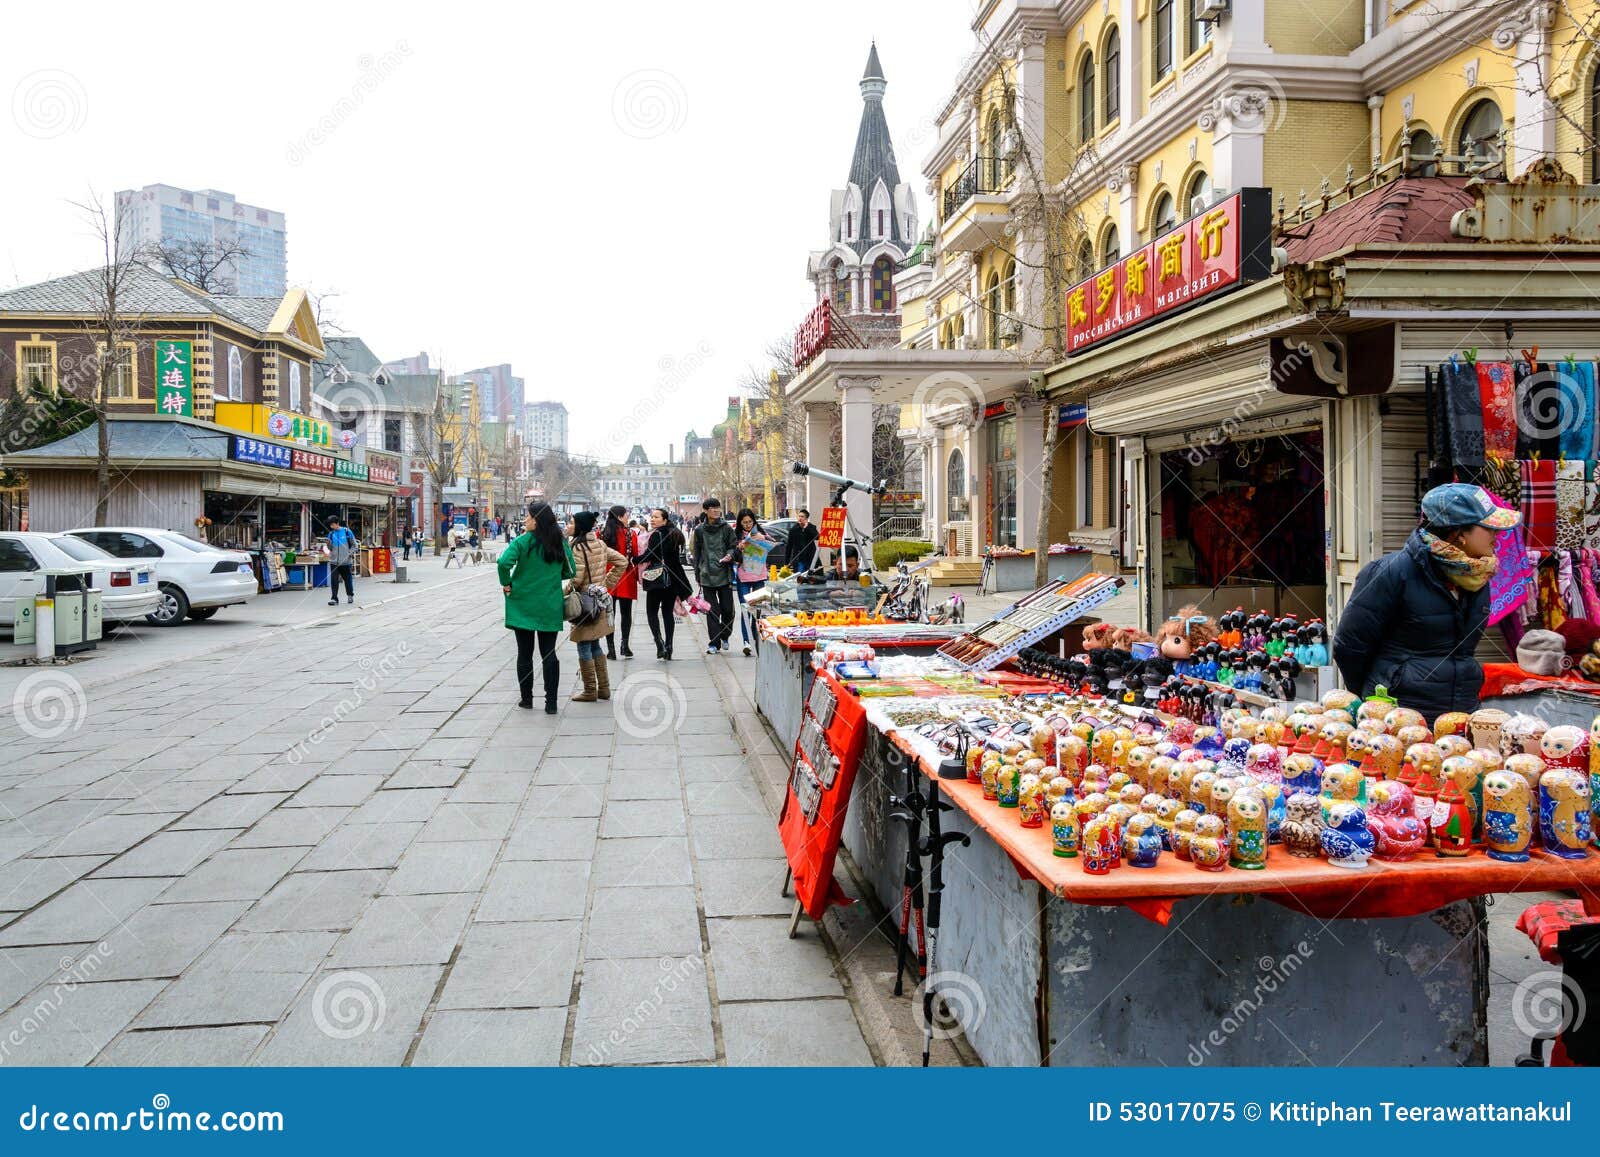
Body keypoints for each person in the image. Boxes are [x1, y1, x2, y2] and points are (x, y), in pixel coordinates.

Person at [1333, 483, 1519, 722]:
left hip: (1459, 712)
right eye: (1488, 527)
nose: (1497, 534)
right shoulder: (1390, 572)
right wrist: (1376, 693)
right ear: (1458, 533)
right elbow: (1349, 646)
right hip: (1398, 717)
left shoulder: (1478, 574)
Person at [499, 501, 575, 713]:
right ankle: (551, 703)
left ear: (537, 519)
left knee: (524, 653)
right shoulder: (559, 542)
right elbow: (571, 571)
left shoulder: (522, 541)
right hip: (549, 603)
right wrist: (552, 577)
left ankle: (527, 699)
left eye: (528, 516)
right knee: (548, 653)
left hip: (522, 602)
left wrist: (506, 583)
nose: (525, 520)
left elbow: (504, 563)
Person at [567, 510, 626, 702]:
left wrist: (563, 592)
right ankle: (604, 688)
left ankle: (590, 690)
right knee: (595, 643)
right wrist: (605, 585)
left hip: (584, 603)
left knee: (584, 644)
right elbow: (622, 561)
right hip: (599, 600)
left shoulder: (578, 547)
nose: (568, 525)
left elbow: (576, 580)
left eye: (571, 522)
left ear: (580, 526)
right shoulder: (599, 543)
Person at [638, 507, 690, 660]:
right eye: (651, 517)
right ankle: (669, 645)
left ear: (665, 519)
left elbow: (649, 555)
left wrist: (634, 560)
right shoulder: (676, 533)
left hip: (657, 578)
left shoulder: (656, 535)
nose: (652, 519)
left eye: (656, 517)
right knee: (667, 613)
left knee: (651, 612)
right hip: (673, 580)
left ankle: (659, 642)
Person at [690, 497, 738, 655]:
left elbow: (734, 546)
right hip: (707, 575)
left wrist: (730, 555)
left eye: (718, 508)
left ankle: (725, 635)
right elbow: (697, 554)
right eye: (713, 508)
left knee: (727, 609)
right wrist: (698, 574)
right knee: (711, 611)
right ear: (705, 511)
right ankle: (714, 642)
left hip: (724, 573)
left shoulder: (726, 528)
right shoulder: (699, 530)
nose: (716, 510)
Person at [732, 507, 773, 657]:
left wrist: (763, 539)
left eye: (750, 522)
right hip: (743, 577)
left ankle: (756, 639)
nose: (748, 525)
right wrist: (740, 546)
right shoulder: (736, 536)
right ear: (740, 523)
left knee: (758, 611)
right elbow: (732, 552)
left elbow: (772, 543)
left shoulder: (761, 533)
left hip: (760, 576)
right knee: (745, 611)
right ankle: (746, 642)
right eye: (744, 523)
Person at [601, 505, 639, 660]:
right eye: (625, 515)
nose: (627, 518)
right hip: (625, 576)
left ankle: (611, 649)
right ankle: (625, 645)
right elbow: (635, 554)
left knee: (609, 614)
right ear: (619, 517)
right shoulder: (630, 534)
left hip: (608, 576)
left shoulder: (602, 534)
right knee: (626, 613)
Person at [326, 517, 358, 606]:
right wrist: (328, 545)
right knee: (334, 581)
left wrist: (349, 553)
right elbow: (330, 548)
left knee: (347, 580)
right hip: (334, 561)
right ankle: (334, 599)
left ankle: (350, 595)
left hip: (346, 562)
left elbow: (355, 545)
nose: (331, 526)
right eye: (330, 525)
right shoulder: (331, 534)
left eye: (333, 524)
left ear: (337, 523)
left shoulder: (347, 532)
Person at [787, 507, 820, 572]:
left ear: (806, 518)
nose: (800, 518)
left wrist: (806, 527)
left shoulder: (811, 527)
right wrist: (787, 562)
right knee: (800, 577)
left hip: (810, 557)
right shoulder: (793, 529)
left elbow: (817, 537)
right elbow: (789, 546)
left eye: (802, 516)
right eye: (799, 516)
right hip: (799, 558)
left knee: (810, 577)